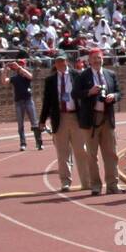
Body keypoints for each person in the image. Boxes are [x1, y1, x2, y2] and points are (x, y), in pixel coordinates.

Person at [73, 48, 125, 195]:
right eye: (94, 58)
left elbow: (120, 92)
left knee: (111, 153)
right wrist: (89, 92)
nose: (97, 61)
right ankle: (95, 186)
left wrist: (114, 96)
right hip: (90, 120)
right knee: (91, 155)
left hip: (107, 118)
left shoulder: (110, 74)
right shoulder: (82, 76)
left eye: (99, 58)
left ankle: (113, 185)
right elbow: (75, 93)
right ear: (89, 61)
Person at [39, 54, 91, 192]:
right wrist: (42, 120)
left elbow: (85, 95)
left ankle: (87, 181)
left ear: (67, 61)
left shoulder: (78, 76)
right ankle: (65, 182)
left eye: (63, 61)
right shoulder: (50, 80)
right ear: (55, 64)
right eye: (58, 62)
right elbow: (47, 101)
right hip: (59, 118)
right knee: (62, 153)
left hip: (76, 117)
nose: (61, 64)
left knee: (81, 151)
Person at [2, 58, 43, 152]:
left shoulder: (26, 75)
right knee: (20, 125)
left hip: (28, 101)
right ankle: (23, 144)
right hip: (18, 102)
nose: (20, 66)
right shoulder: (15, 78)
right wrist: (5, 70)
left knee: (34, 123)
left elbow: (31, 76)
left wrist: (19, 67)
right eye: (19, 64)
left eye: (22, 64)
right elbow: (4, 81)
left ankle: (39, 143)